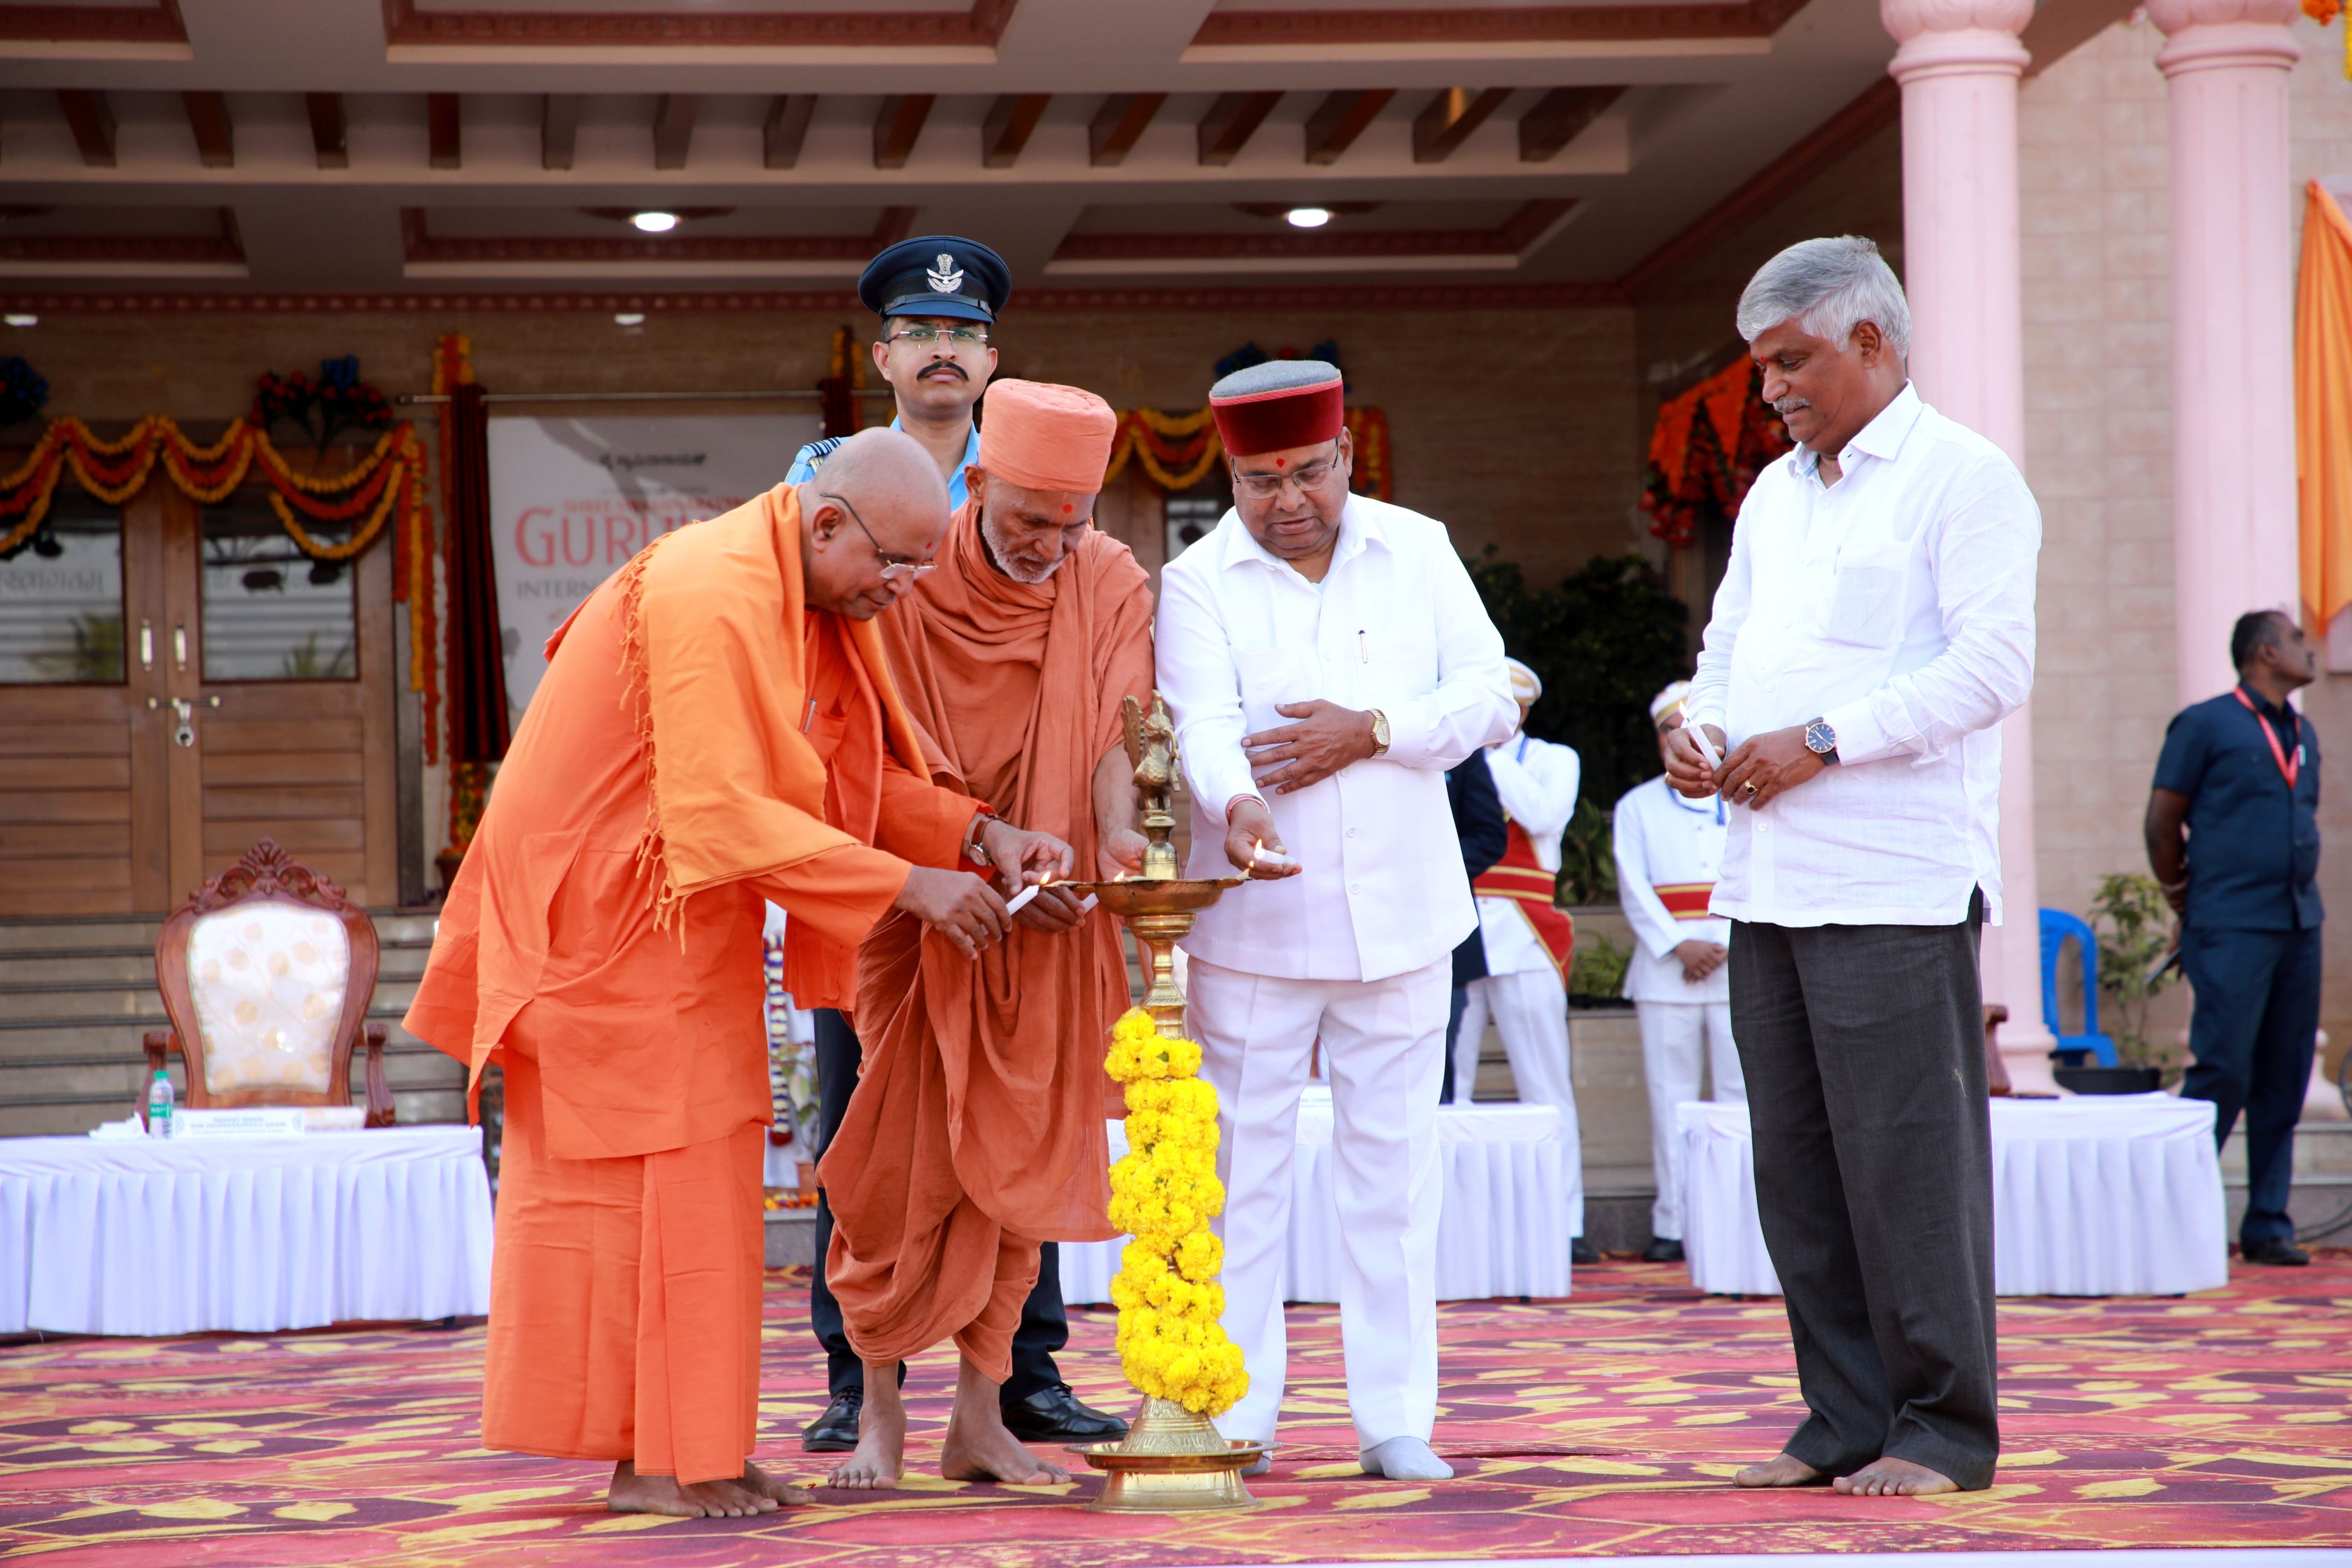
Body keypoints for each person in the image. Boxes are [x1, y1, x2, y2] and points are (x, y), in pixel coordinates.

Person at [403, 429, 1074, 1520]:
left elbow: (835, 782)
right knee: (647, 1202)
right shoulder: (714, 587)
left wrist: (978, 834)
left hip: (677, 910)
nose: (901, 593)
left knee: (704, 1193)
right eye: (894, 566)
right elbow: (719, 812)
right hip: (602, 922)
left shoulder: (793, 591)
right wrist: (913, 890)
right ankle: (654, 1463)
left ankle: (694, 1445)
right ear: (825, 523)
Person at [1667, 237, 2038, 1498]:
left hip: (1892, 882)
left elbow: (1992, 672)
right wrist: (1695, 726)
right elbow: (1721, 654)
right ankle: (1842, 1416)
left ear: (1872, 345)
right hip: (1768, 880)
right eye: (1761, 365)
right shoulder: (1778, 495)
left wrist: (1824, 739)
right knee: (1805, 1175)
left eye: (1789, 361)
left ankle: (1942, 1428)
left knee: (1907, 1171)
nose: (1769, 389)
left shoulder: (1963, 478)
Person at [785, 237, 1124, 1454]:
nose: (946, 351)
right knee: (864, 1122)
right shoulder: (820, 492)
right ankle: (852, 1379)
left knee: (1022, 1113)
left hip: (1024, 867)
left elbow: (1110, 708)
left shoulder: (1049, 492)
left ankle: (1020, 1376)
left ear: (993, 359)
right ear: (884, 358)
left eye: (968, 335)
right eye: (923, 334)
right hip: (883, 862)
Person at [1155, 358, 1517, 1483]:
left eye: (1309, 472)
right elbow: (1201, 722)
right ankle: (1237, 1410)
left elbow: (1493, 691)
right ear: (1231, 472)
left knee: (1395, 1172)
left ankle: (1394, 1418)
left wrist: (1373, 729)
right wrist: (1239, 804)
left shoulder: (1420, 546)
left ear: (1347, 456)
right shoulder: (1197, 581)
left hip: (1405, 918)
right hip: (1259, 922)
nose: (1289, 499)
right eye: (1261, 480)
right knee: (1244, 1172)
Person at [2146, 608, 2324, 1267]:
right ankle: (2175, 1217)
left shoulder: (2302, 730)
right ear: (2265, 652)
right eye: (2298, 641)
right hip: (2229, 924)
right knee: (2223, 1068)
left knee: (2286, 1074)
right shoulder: (2206, 724)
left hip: (2298, 923)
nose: (2309, 651)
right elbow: (2162, 822)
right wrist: (2179, 895)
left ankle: (2267, 1223)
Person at [1457, 656, 1592, 1264]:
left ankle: (1566, 1223)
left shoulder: (1551, 758)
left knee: (1545, 1081)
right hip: (1456, 927)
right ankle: (1453, 1221)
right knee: (1447, 1086)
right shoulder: (1451, 758)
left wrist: (1480, 756)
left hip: (1526, 930)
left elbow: (1543, 815)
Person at [1613, 680, 1744, 1266]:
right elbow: (1633, 887)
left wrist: (1719, 941)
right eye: (1675, 730)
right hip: (1667, 975)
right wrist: (1678, 945)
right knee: (1671, 1101)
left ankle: (1745, 1218)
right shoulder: (1636, 805)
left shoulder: (1744, 794)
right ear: (1662, 738)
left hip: (1739, 966)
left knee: (1743, 1100)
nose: (1687, 740)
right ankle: (1673, 1221)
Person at [1441, 747, 1508, 1105]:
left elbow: (1490, 837)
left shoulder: (1461, 752)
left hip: (1440, 935)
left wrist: (1423, 867)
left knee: (1433, 1082)